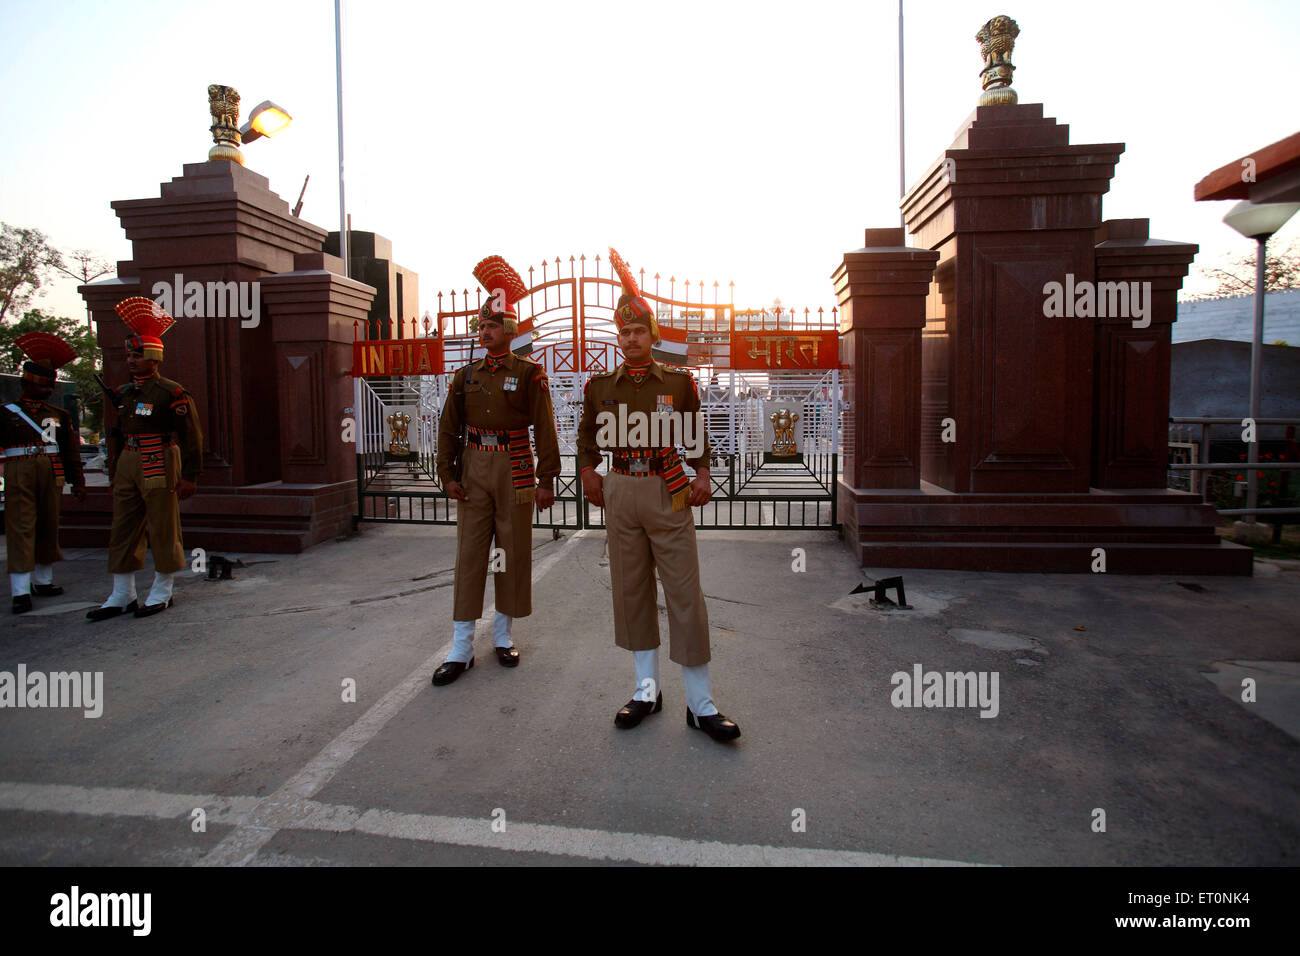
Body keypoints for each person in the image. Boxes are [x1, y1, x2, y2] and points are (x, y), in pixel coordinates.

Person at [577, 248, 740, 742]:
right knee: (632, 593)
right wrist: (587, 470)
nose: (630, 339)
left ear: (653, 335)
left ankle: (701, 704)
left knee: (684, 593)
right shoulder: (600, 386)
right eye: (623, 333)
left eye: (638, 332)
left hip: (669, 491)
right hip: (621, 490)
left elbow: (696, 436)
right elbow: (586, 436)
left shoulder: (679, 382)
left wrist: (704, 473)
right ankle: (647, 691)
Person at [432, 255, 561, 685]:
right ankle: (461, 646)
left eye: (492, 325)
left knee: (510, 552)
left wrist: (547, 480)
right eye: (481, 326)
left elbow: (545, 427)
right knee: (470, 554)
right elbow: (449, 426)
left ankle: (503, 637)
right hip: (473, 469)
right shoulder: (465, 376)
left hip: (515, 468)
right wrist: (447, 473)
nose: (484, 332)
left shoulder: (528, 374)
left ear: (508, 330)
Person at [87, 297, 202, 621]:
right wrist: (114, 472)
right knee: (122, 526)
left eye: (137, 354)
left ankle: (162, 590)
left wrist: (191, 475)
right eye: (128, 354)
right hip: (129, 461)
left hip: (159, 457)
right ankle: (122, 594)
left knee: (162, 526)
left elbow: (192, 435)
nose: (131, 360)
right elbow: (117, 435)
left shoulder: (171, 392)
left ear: (154, 356)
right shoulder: (124, 393)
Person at [3, 333, 86, 614]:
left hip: (51, 471)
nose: (48, 390)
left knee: (48, 524)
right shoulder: (7, 414)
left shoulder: (57, 414)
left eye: (50, 386)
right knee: (21, 527)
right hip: (19, 470)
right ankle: (20, 591)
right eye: (43, 385)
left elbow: (69, 450)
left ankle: (43, 581)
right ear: (27, 383)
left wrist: (78, 481)